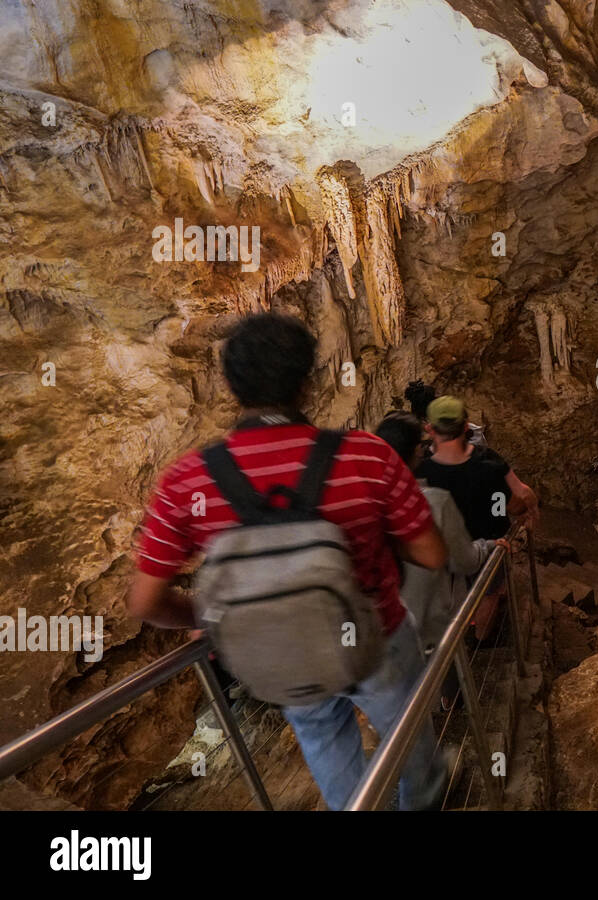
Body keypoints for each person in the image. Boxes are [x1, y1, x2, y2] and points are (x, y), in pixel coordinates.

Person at [128, 313, 450, 811]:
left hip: (279, 650)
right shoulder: (367, 455)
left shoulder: (187, 480)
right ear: (307, 382)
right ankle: (422, 801)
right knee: (412, 743)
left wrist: (215, 617)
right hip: (377, 637)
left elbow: (146, 601)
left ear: (231, 388)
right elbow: (431, 553)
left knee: (326, 747)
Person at [375, 412, 499, 710]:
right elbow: (465, 561)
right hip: (433, 618)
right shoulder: (434, 502)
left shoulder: (363, 500)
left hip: (383, 623)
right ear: (417, 451)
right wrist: (489, 545)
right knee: (444, 671)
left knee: (403, 696)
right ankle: (449, 705)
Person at [415, 396, 539, 540]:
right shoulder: (487, 462)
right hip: (490, 549)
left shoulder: (420, 468)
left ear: (430, 429)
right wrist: (528, 509)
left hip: (444, 553)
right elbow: (516, 500)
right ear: (466, 426)